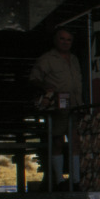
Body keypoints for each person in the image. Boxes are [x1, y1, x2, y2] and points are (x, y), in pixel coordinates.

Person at [31, 27, 84, 186]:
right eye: (62, 39)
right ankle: (60, 179)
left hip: (75, 106)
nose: (65, 42)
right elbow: (34, 79)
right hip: (58, 106)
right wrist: (46, 89)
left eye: (68, 39)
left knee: (75, 141)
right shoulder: (46, 59)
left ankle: (75, 180)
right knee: (57, 142)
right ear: (55, 40)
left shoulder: (74, 59)